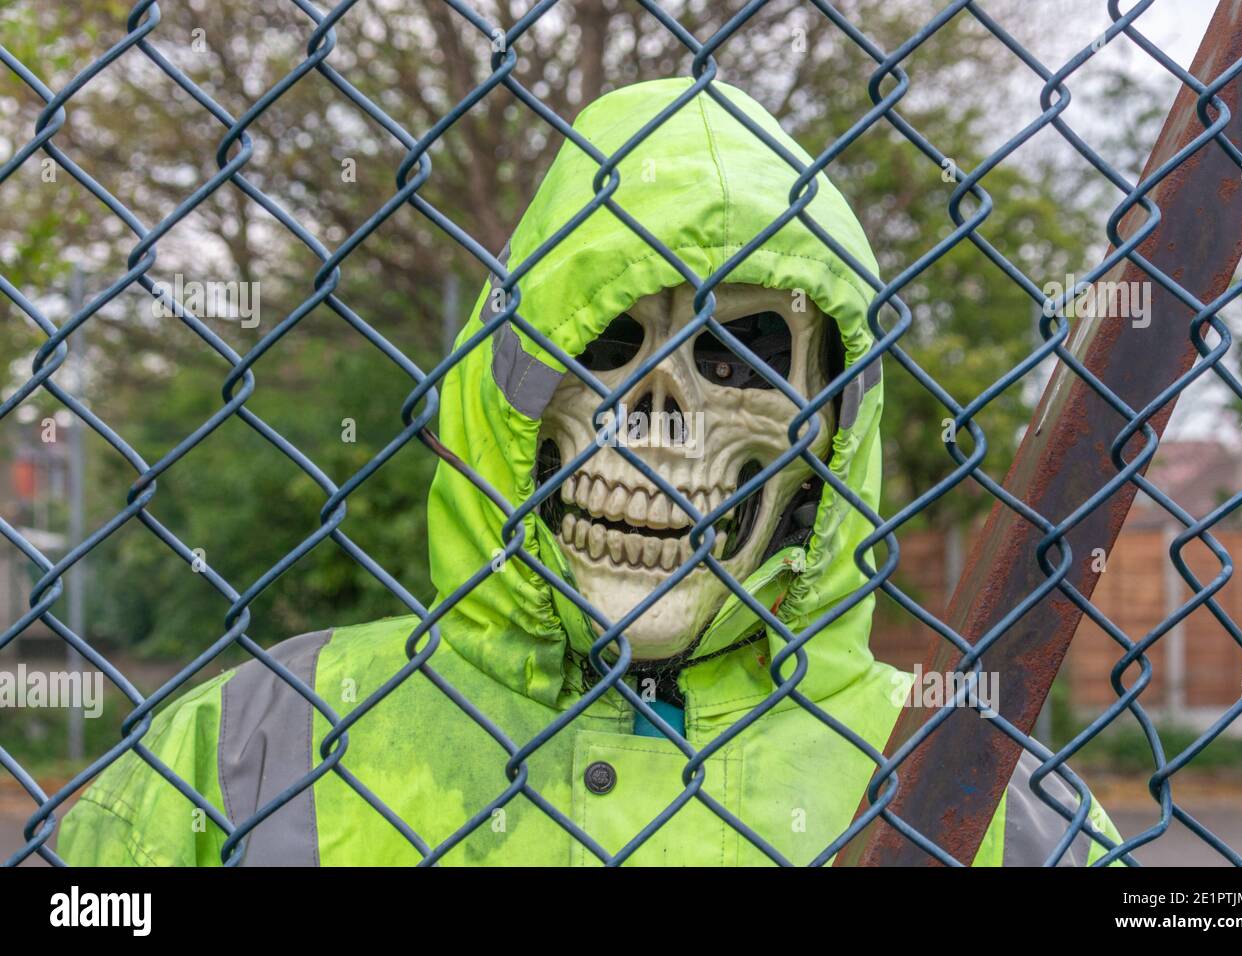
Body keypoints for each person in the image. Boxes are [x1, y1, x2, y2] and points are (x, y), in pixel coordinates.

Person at [59, 78, 1123, 866]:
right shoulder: (256, 739)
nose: (657, 412)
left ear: (834, 431)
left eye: (740, 356)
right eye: (604, 340)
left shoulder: (989, 791)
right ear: (501, 387)